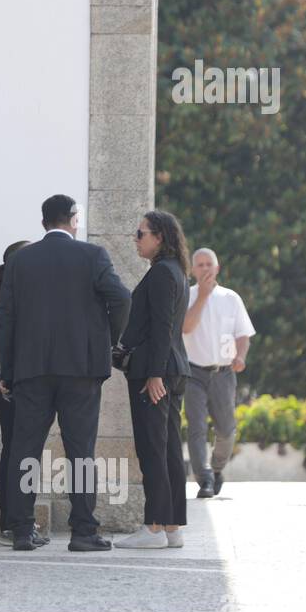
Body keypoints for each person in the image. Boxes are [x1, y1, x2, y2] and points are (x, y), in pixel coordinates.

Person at [0, 194, 131, 552]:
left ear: (43, 223)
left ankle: (22, 529)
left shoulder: (21, 260)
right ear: (73, 219)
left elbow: (5, 318)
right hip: (82, 369)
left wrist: (6, 369)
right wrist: (106, 342)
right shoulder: (93, 256)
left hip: (31, 369)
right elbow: (121, 298)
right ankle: (84, 530)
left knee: (25, 449)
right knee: (81, 450)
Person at [114, 211, 193, 549]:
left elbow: (162, 327)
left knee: (153, 449)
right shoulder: (176, 272)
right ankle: (172, 525)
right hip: (173, 369)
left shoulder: (162, 273)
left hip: (156, 372)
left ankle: (154, 527)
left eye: (140, 233)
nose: (136, 239)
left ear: (159, 236)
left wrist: (154, 373)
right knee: (170, 448)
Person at [182, 247, 256, 498]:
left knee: (226, 429)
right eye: (199, 265)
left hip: (223, 373)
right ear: (192, 270)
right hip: (193, 373)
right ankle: (203, 480)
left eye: (208, 264)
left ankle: (216, 469)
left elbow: (243, 334)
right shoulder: (188, 296)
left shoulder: (231, 298)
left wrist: (240, 356)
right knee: (196, 428)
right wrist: (202, 297)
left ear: (217, 268)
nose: (204, 269)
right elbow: (186, 328)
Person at [0, 240, 46, 547]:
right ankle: (12, 524)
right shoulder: (15, 297)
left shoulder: (21, 293)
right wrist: (8, 379)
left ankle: (20, 521)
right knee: (15, 452)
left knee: (17, 452)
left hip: (15, 378)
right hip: (10, 381)